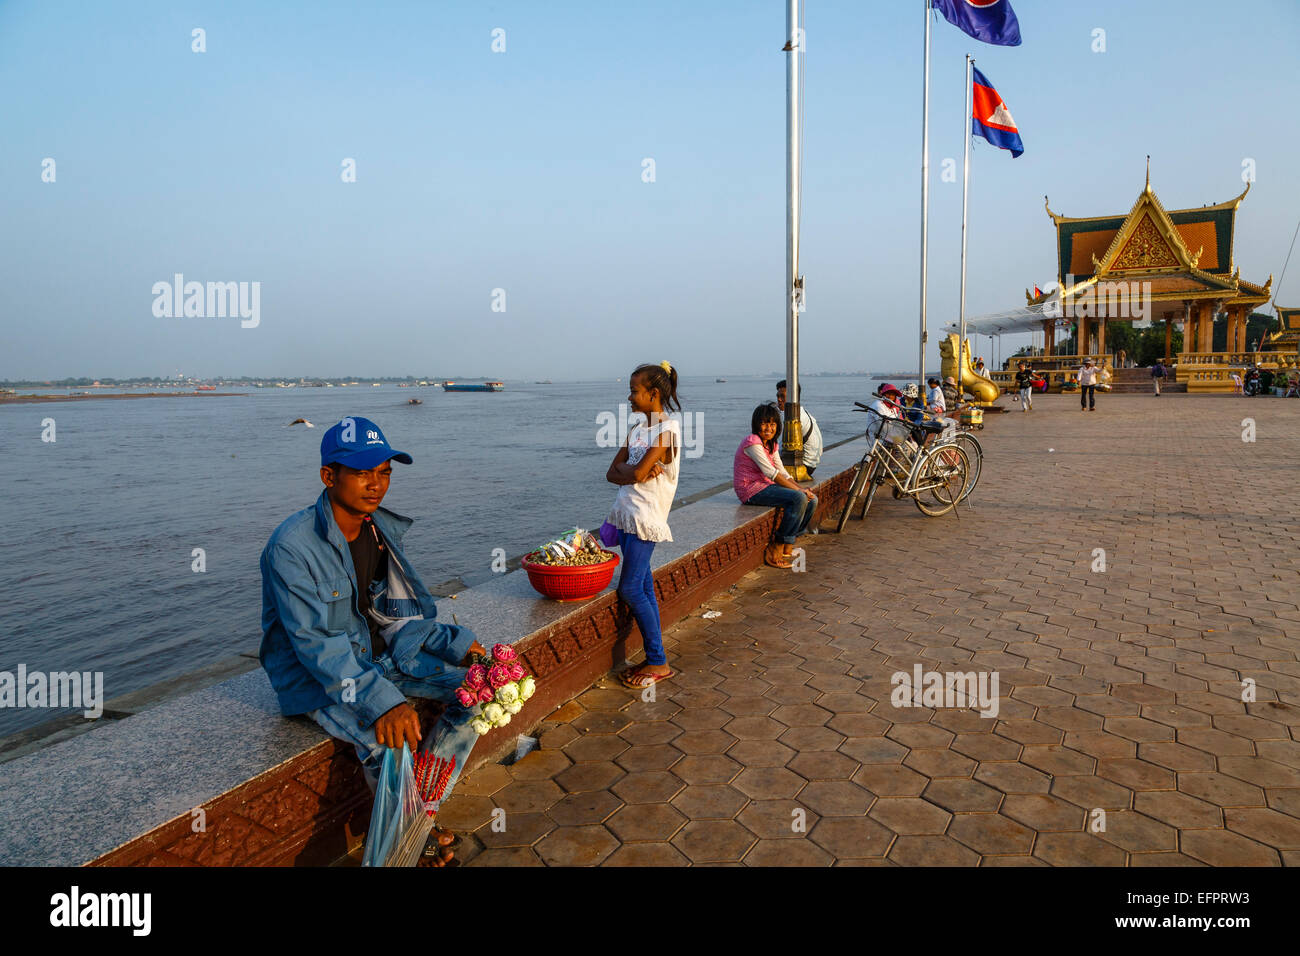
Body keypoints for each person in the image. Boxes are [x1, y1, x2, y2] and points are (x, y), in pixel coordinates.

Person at [260, 416, 486, 866]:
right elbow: (317, 646)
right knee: (388, 744)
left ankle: (420, 818)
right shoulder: (291, 546)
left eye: (384, 472)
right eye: (363, 472)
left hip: (381, 660)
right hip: (319, 678)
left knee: (478, 695)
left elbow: (394, 614)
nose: (376, 484)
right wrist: (382, 702)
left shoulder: (377, 530)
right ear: (329, 476)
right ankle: (402, 848)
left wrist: (460, 646)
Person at [605, 362, 682, 690]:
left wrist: (632, 471)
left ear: (653, 394)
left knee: (631, 589)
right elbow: (611, 473)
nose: (630, 396)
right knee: (644, 586)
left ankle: (658, 660)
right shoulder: (637, 430)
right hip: (625, 514)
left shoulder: (668, 430)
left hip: (645, 521)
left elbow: (632, 474)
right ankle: (655, 655)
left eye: (635, 391)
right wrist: (633, 470)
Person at [734, 404, 817, 569]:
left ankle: (790, 541)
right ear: (756, 424)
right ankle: (777, 546)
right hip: (750, 490)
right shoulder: (752, 442)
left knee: (812, 499)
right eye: (764, 424)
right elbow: (771, 473)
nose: (768, 428)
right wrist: (799, 491)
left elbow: (783, 472)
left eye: (772, 424)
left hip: (765, 486)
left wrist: (802, 489)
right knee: (798, 498)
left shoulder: (772, 444)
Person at [774, 379, 822, 475]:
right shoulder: (802, 412)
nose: (779, 399)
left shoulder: (794, 418)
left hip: (804, 467)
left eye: (782, 396)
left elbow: (783, 448)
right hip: (811, 464)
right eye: (778, 396)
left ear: (793, 397)